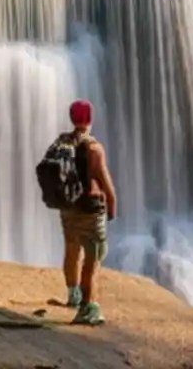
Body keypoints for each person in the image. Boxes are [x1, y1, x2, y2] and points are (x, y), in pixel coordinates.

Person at [60, 99, 117, 326]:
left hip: (67, 207)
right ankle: (88, 307)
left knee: (72, 249)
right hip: (89, 209)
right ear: (90, 119)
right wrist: (112, 203)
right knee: (93, 258)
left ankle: (73, 294)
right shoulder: (94, 148)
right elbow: (104, 180)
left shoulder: (62, 143)